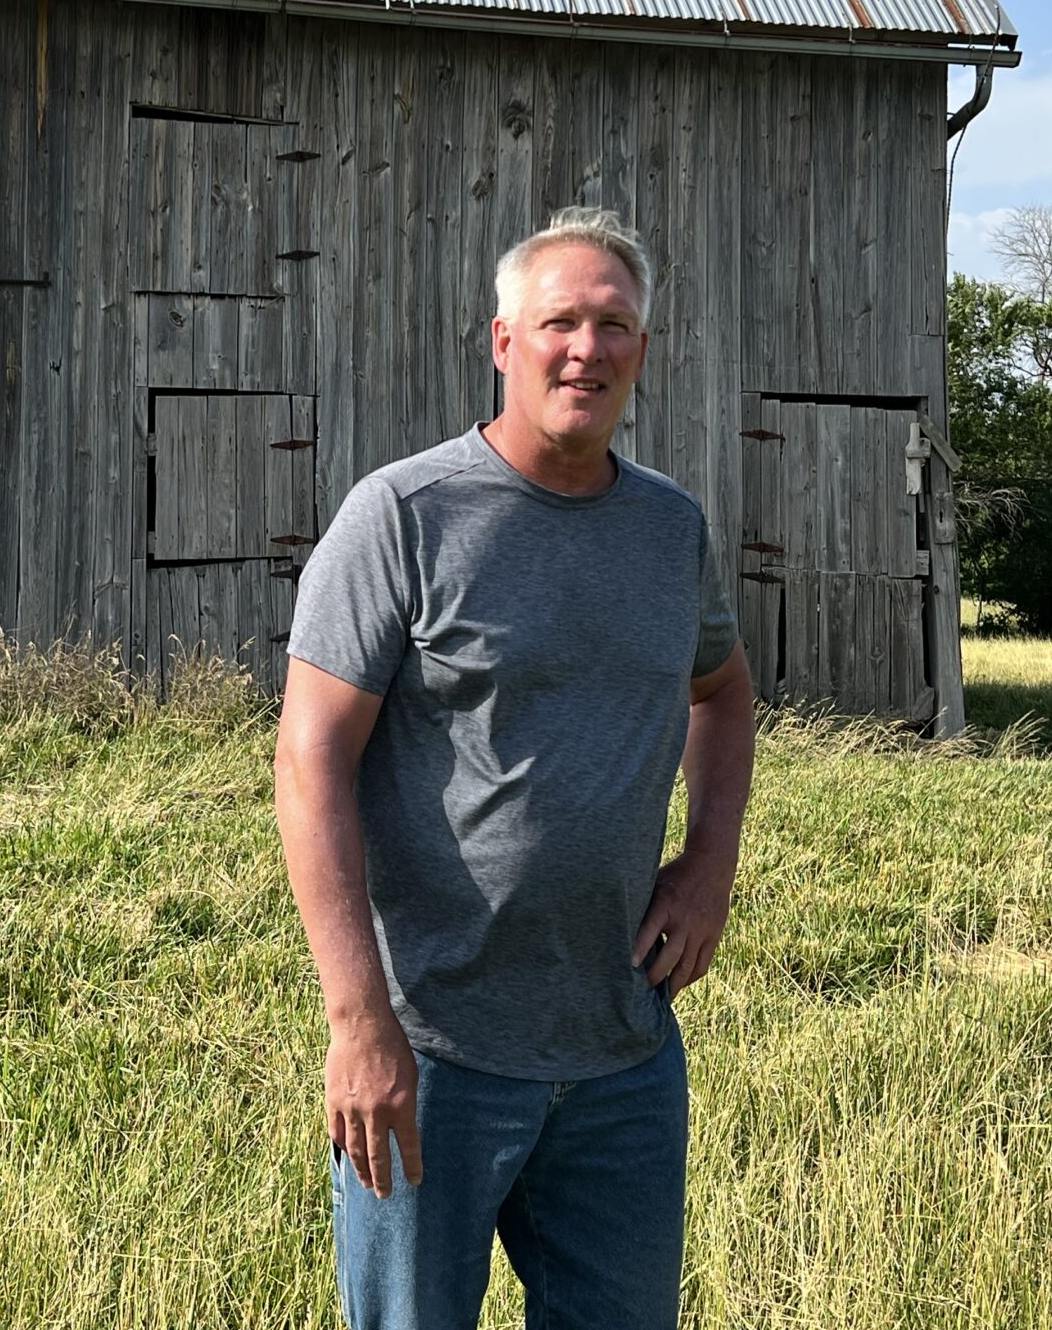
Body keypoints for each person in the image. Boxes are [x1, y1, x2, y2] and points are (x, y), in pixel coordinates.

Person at [273, 205, 756, 1330]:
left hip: (621, 1050)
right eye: (559, 323)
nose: (585, 348)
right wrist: (358, 1023)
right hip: (432, 1050)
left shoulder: (667, 531)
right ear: (504, 343)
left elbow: (722, 694)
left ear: (643, 350)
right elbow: (310, 761)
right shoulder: (401, 517)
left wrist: (707, 865)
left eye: (613, 325)